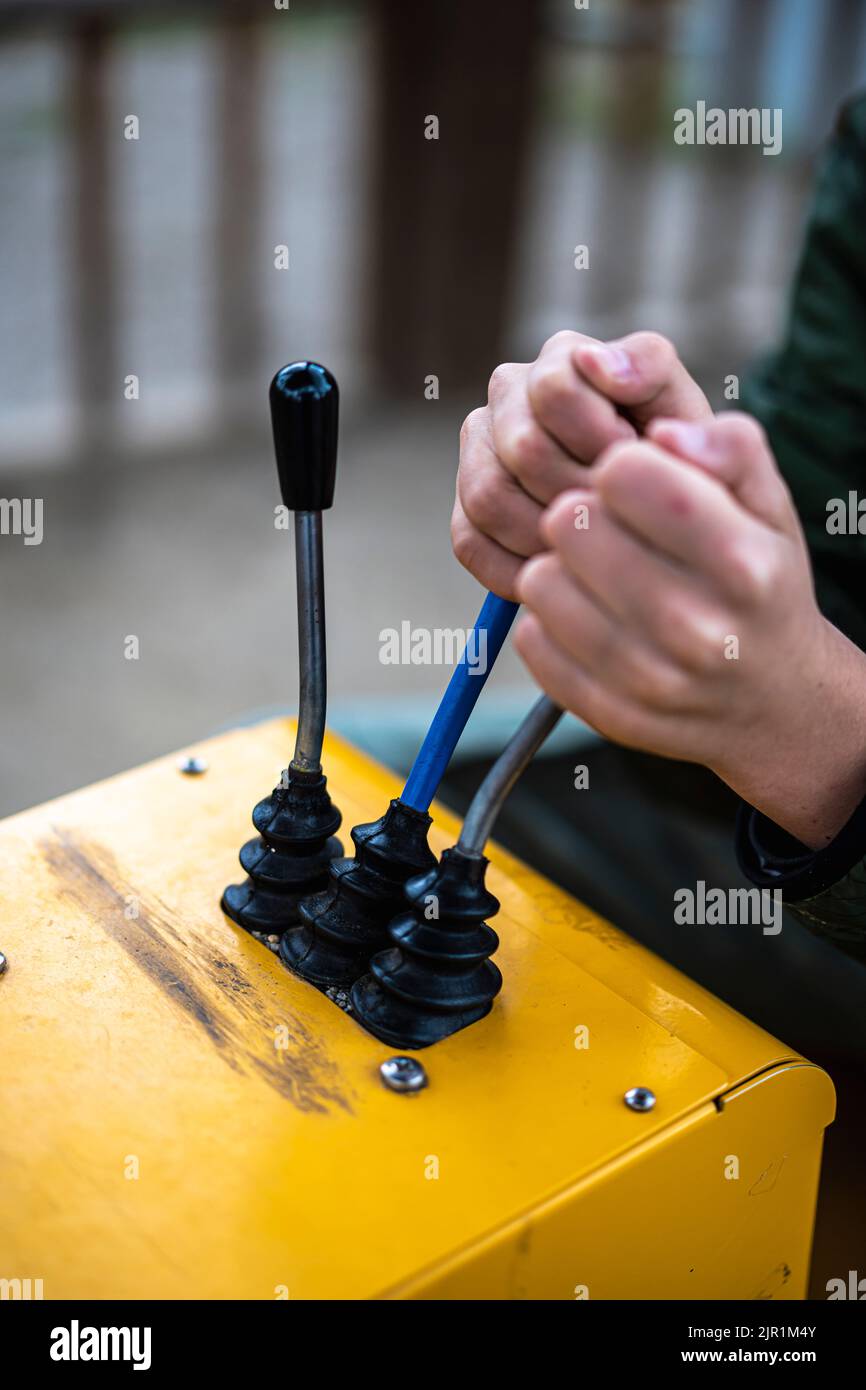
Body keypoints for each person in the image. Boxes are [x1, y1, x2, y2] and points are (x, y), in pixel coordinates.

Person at [452, 95, 866, 960]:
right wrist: (678, 532)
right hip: (729, 802)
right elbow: (816, 542)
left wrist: (817, 735)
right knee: (282, 758)